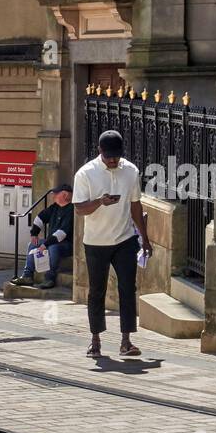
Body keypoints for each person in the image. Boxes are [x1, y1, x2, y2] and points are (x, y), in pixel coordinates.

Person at [74, 130, 152, 358]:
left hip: (125, 239)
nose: (112, 160)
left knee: (128, 289)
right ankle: (95, 340)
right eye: (108, 156)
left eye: (116, 156)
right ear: (100, 152)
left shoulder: (130, 171)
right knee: (97, 291)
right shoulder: (86, 174)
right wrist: (99, 202)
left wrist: (144, 238)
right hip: (96, 242)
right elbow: (79, 209)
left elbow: (136, 206)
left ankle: (126, 341)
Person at [16, 184, 74, 289]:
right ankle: (27, 276)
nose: (53, 196)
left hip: (67, 244)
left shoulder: (72, 209)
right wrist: (34, 233)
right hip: (52, 241)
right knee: (32, 245)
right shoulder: (54, 207)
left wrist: (45, 244)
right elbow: (40, 218)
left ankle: (49, 278)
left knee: (53, 248)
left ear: (65, 195)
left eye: (56, 194)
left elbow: (62, 233)